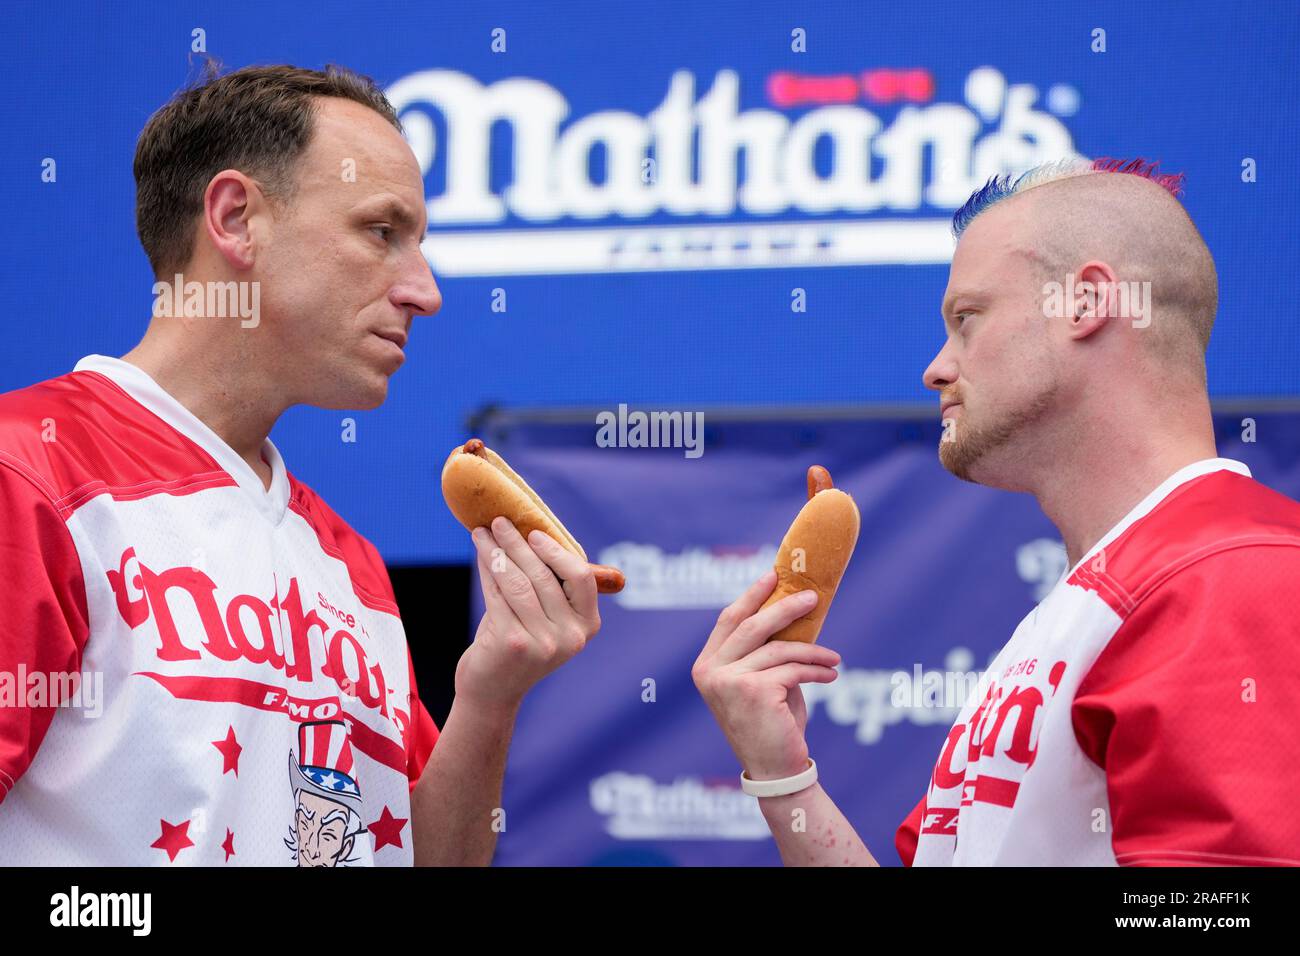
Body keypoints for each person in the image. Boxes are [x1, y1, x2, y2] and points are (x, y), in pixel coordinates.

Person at [0, 61, 602, 865]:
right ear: (236, 217)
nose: (425, 291)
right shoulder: (28, 471)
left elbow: (417, 858)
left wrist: (490, 696)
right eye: (382, 232)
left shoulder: (350, 564)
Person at [693, 158, 1300, 866]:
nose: (936, 368)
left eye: (967, 319)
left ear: (1087, 303)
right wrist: (782, 774)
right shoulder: (1081, 611)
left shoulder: (1229, 574)